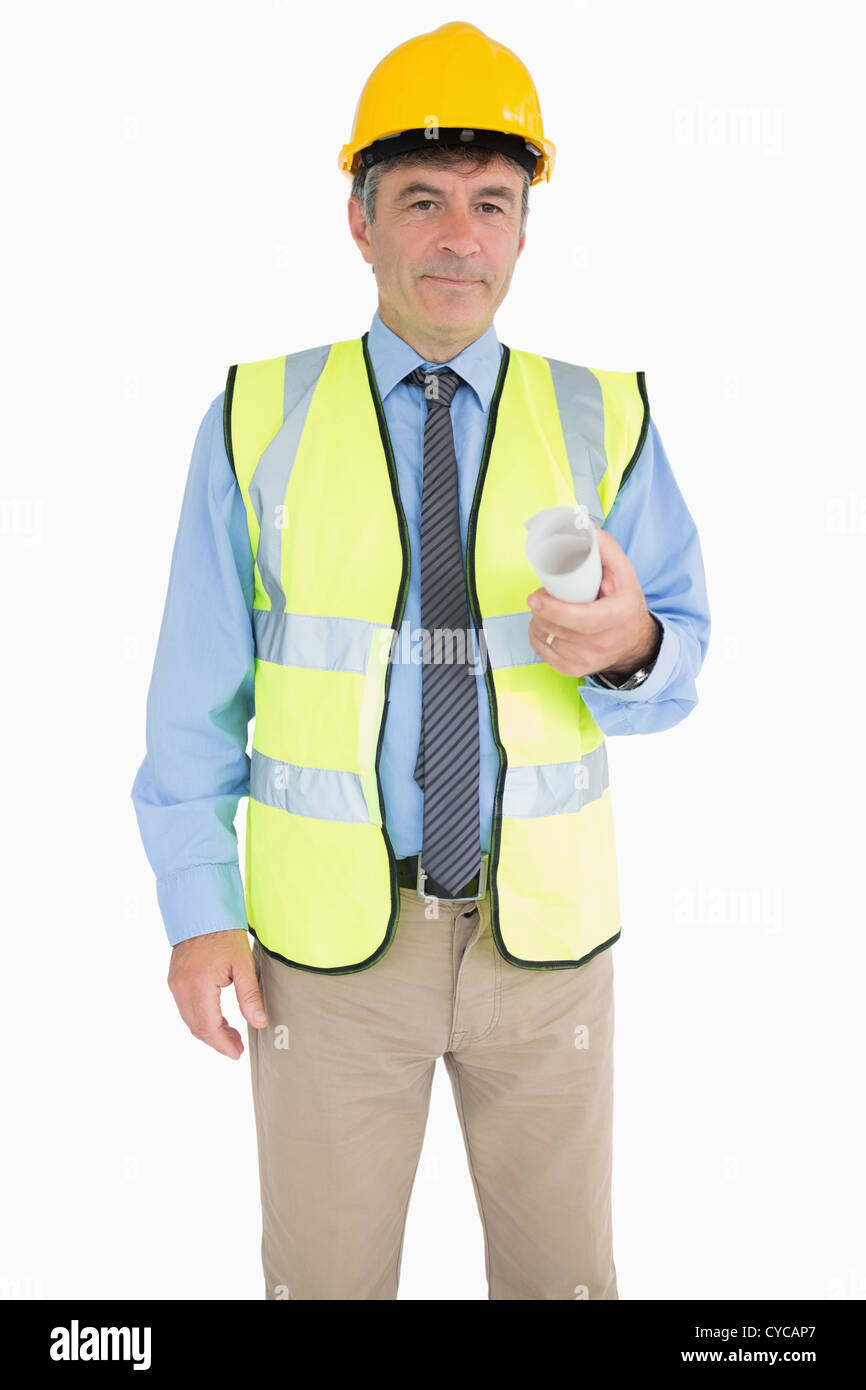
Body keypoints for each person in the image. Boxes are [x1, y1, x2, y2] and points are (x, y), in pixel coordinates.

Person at [131, 19, 710, 1300]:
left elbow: (679, 656)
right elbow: (191, 695)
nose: (459, 236)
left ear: (521, 227)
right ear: (360, 220)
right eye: (423, 201)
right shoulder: (255, 415)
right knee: (324, 1288)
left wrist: (632, 649)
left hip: (541, 940)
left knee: (567, 1287)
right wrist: (196, 910)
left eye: (491, 205)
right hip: (324, 951)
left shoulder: (601, 413)